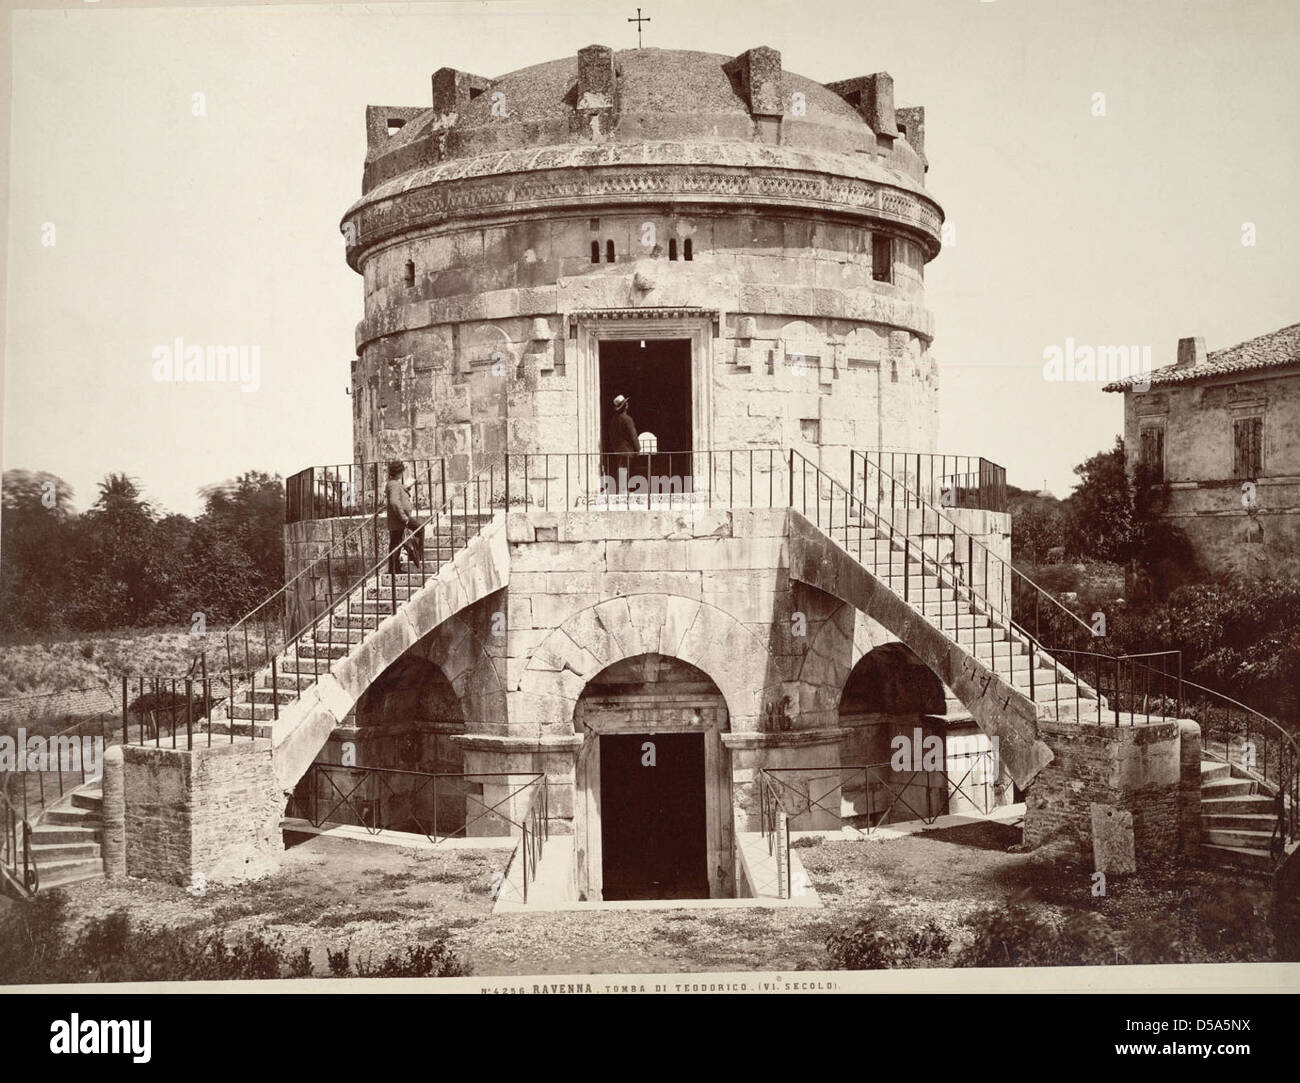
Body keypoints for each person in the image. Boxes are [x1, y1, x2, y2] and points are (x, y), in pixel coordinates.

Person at [384, 460, 422, 575]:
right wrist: (404, 518)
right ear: (399, 473)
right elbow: (394, 502)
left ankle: (394, 568)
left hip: (397, 519)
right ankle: (416, 553)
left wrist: (405, 488)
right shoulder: (394, 484)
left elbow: (396, 494)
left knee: (396, 543)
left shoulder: (393, 483)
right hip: (400, 519)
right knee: (420, 529)